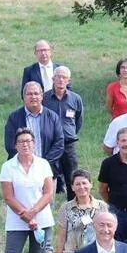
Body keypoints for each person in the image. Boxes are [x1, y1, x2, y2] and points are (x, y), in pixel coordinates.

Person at [0, 128, 55, 253]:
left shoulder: (43, 164)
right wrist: (26, 216)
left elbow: (48, 193)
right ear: (15, 145)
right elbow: (8, 196)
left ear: (34, 143)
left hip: (41, 221)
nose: (25, 144)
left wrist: (34, 213)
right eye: (21, 141)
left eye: (28, 141)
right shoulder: (8, 167)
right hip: (17, 221)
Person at [4, 81, 64, 187]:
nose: (33, 97)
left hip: (47, 170)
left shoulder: (52, 117)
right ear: (24, 97)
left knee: (46, 203)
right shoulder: (14, 117)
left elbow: (59, 144)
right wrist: (25, 163)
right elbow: (10, 145)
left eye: (36, 93)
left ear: (42, 96)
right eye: (29, 94)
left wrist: (42, 164)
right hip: (20, 171)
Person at [44, 66, 84, 199]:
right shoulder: (45, 98)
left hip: (68, 144)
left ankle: (73, 208)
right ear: (52, 79)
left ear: (68, 80)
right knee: (49, 176)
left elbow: (78, 120)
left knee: (72, 176)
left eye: (64, 77)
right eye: (58, 77)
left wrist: (69, 133)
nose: (61, 80)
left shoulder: (75, 99)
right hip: (50, 144)